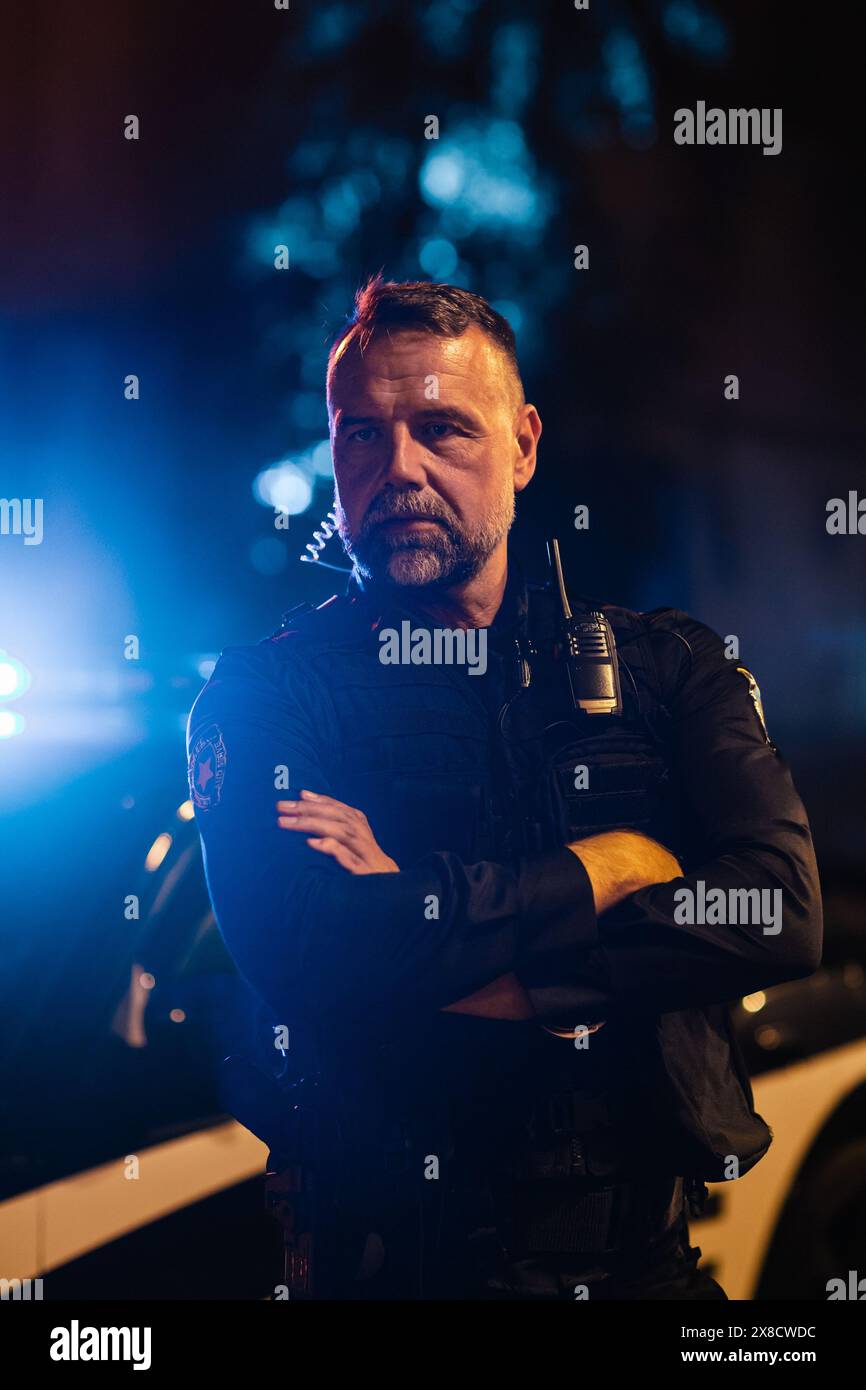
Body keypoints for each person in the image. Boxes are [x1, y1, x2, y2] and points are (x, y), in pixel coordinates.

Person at [187, 276, 822, 1299]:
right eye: (361, 436)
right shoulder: (267, 695)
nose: (397, 468)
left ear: (522, 447)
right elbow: (312, 949)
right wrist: (606, 866)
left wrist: (458, 944)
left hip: (639, 1272)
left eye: (443, 430)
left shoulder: (666, 669)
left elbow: (778, 910)